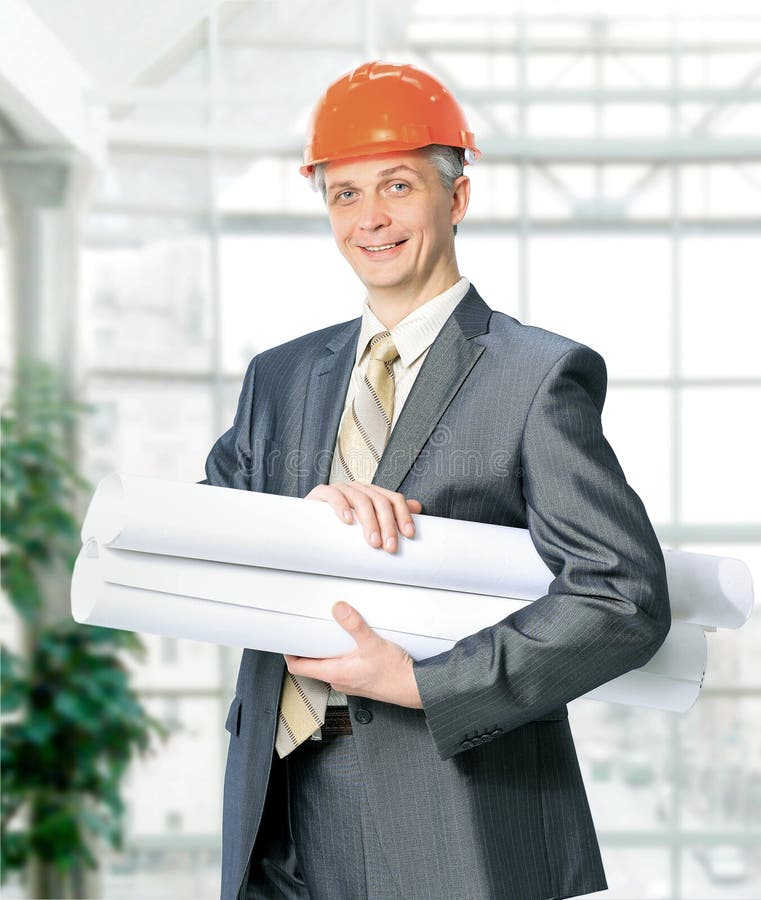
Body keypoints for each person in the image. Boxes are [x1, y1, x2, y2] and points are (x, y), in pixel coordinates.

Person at [203, 61, 671, 900]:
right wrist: (303, 518)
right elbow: (206, 536)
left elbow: (620, 595)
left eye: (396, 186)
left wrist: (423, 683)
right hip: (275, 803)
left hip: (449, 808)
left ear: (454, 198)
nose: (370, 219)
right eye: (344, 194)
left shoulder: (536, 375)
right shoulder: (277, 378)